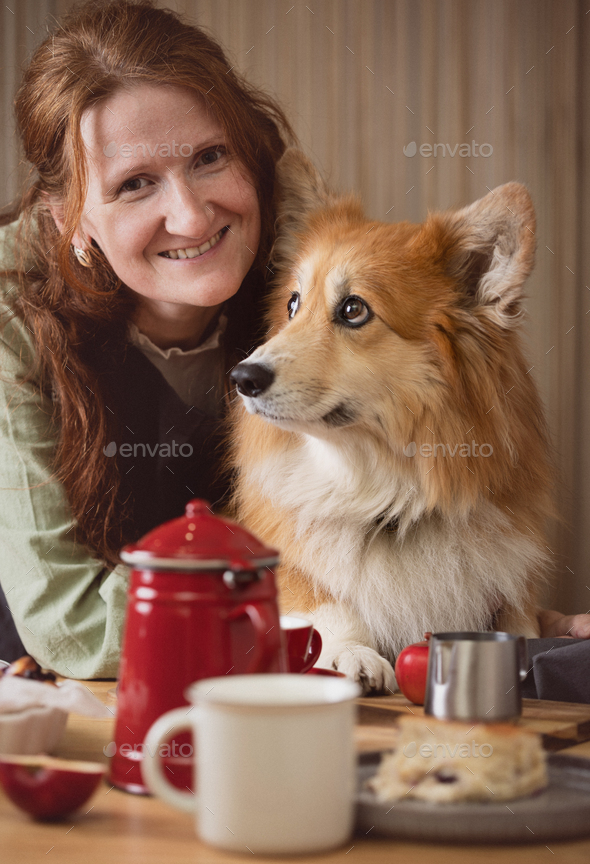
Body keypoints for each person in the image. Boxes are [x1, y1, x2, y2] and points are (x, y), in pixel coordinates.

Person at [0, 0, 587, 679]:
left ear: (250, 157)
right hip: (50, 687)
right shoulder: (12, 319)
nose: (191, 215)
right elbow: (72, 631)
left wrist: (498, 620)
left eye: (210, 157)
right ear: (68, 218)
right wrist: (304, 621)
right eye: (135, 184)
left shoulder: (298, 248)